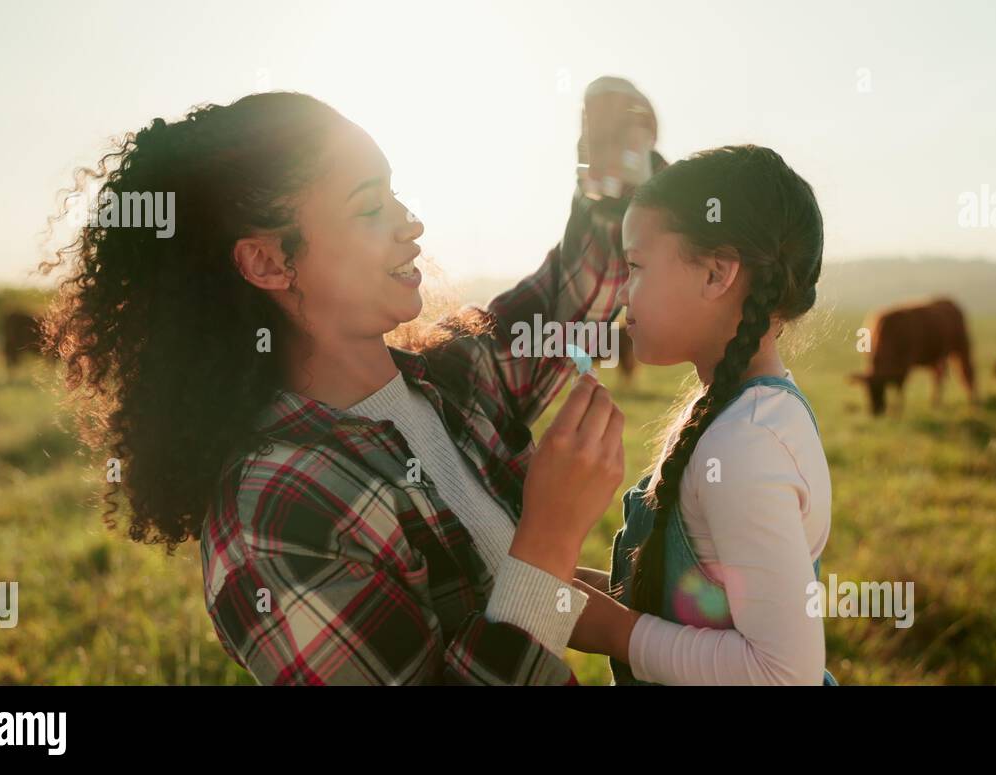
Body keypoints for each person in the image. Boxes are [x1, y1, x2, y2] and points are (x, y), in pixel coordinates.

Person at [41, 78, 663, 684]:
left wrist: (609, 176)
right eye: (369, 206)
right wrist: (549, 537)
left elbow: (570, 299)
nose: (409, 223)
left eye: (396, 195)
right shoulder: (275, 513)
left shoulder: (454, 377)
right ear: (267, 261)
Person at [567, 145, 836, 685]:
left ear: (716, 274)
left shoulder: (746, 443)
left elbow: (784, 674)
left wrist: (612, 633)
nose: (623, 290)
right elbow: (694, 606)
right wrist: (552, 580)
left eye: (636, 266)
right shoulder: (740, 411)